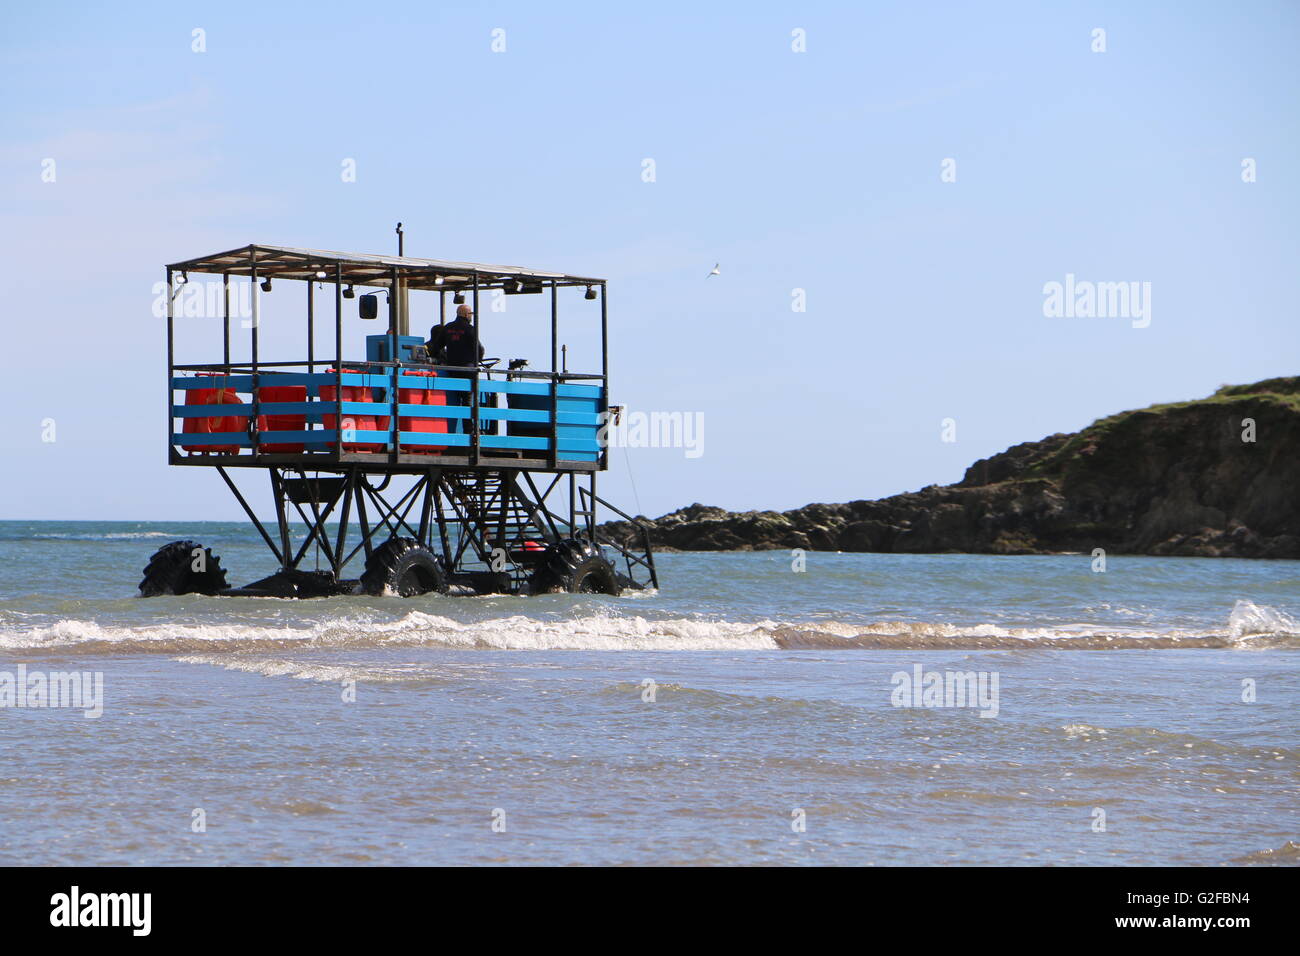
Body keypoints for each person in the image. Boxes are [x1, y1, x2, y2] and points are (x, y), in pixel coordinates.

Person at [427, 304, 485, 433]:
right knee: (468, 400)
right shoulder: (470, 329)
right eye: (470, 314)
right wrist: (476, 361)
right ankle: (469, 430)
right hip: (467, 370)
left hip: (452, 369)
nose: (471, 316)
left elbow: (437, 347)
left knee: (452, 398)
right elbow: (480, 349)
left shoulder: (448, 328)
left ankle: (448, 430)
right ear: (466, 314)